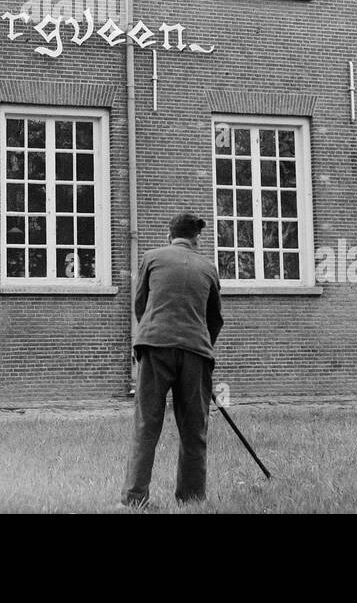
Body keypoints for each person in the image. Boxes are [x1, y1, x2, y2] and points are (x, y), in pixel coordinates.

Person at [120, 211, 223, 508]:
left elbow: (140, 305)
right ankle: (191, 499)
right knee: (194, 429)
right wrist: (201, 350)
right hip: (196, 352)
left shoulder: (152, 258)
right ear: (197, 239)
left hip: (154, 347)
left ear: (169, 234)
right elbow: (214, 319)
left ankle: (134, 498)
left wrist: (155, 333)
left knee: (146, 425)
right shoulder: (209, 268)